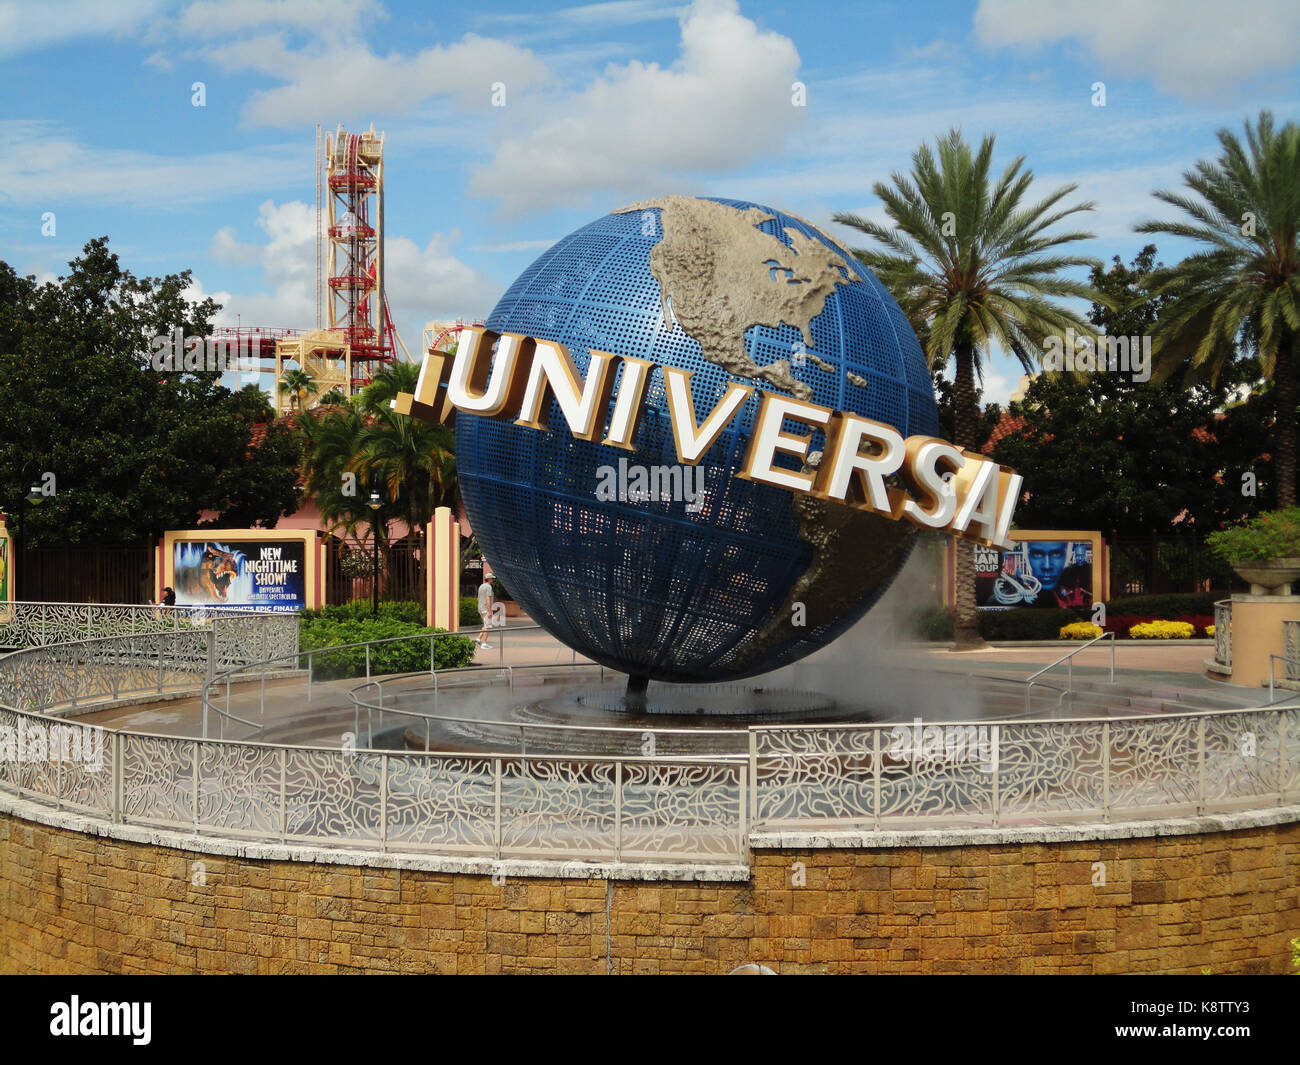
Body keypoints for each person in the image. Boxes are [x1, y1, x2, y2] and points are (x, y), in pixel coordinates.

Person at [476, 576, 495, 650]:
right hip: (486, 609)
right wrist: (490, 611)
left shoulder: (481, 586)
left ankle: (478, 638)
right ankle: (484, 644)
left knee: (485, 624)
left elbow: (478, 598)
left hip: (481, 608)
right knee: (487, 627)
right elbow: (488, 599)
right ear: (489, 579)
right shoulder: (488, 587)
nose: (493, 580)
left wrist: (480, 606)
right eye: (492, 578)